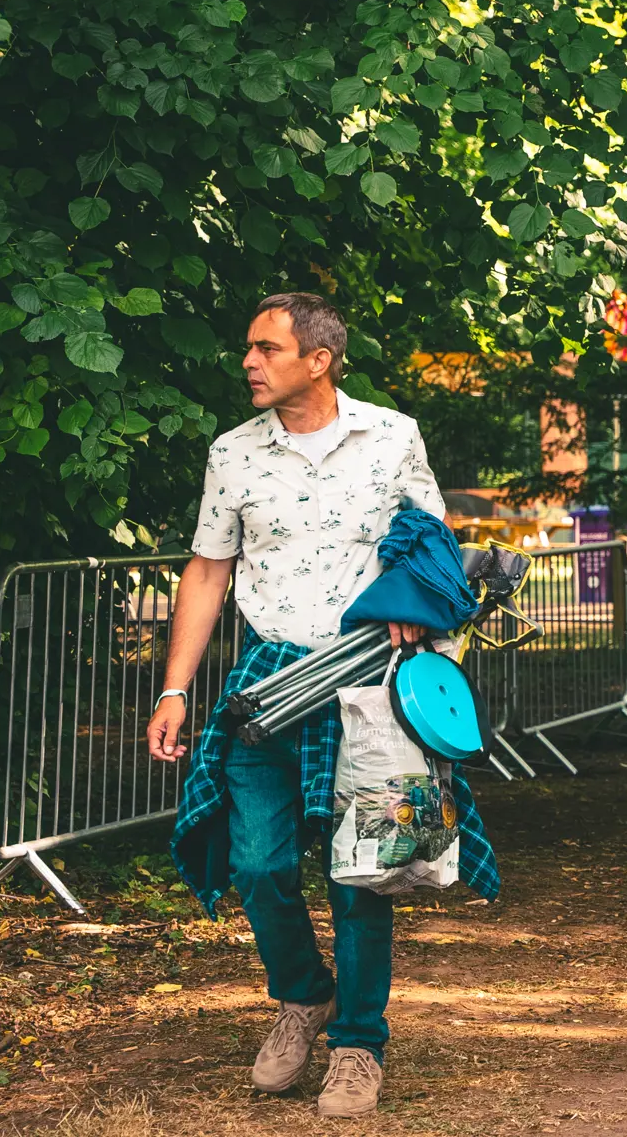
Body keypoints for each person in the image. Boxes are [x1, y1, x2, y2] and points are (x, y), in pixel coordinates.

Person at [146, 293, 500, 1119]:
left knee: (364, 874)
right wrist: (174, 688)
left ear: (320, 359)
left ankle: (357, 1046)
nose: (249, 361)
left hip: (370, 683)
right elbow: (207, 571)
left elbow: (433, 543)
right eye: (248, 347)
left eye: (266, 348)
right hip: (265, 687)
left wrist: (420, 610)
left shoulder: (391, 436)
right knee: (259, 864)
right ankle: (303, 994)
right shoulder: (232, 452)